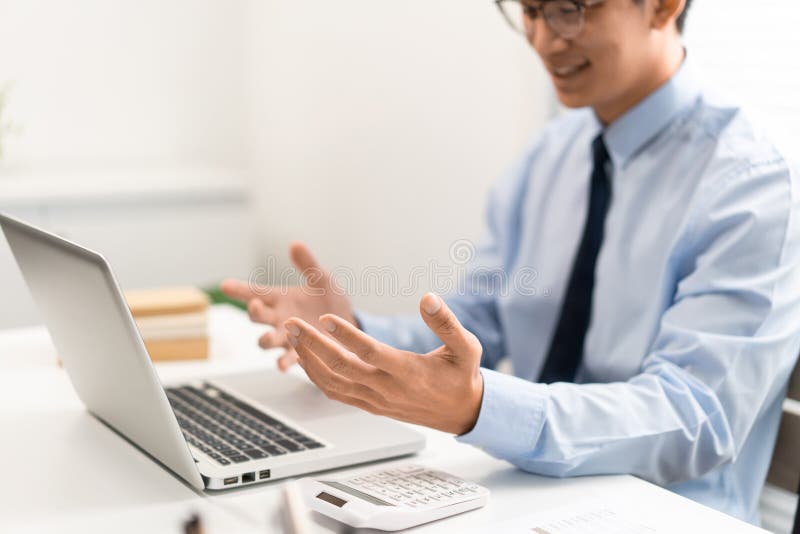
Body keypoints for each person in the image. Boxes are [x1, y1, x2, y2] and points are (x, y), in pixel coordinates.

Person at [222, 0, 800, 524]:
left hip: (661, 512)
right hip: (524, 493)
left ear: (663, 6)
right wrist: (350, 332)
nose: (545, 40)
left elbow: (695, 415)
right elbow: (483, 323)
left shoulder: (748, 186)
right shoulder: (549, 155)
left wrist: (481, 407)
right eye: (529, 10)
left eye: (571, 10)